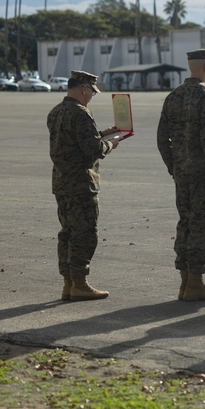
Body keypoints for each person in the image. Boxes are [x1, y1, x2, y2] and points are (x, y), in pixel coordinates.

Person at [47, 70, 122, 301]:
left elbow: (73, 141)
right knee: (84, 234)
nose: (91, 97)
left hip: (62, 182)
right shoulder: (80, 113)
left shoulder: (56, 112)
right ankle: (80, 284)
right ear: (84, 89)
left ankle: (69, 283)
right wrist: (111, 143)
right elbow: (93, 149)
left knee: (67, 233)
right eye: (91, 92)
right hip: (81, 184)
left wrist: (103, 133)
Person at [157, 49, 205, 301]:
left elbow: (162, 139)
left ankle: (185, 283)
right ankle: (195, 284)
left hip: (182, 174)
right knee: (202, 226)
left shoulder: (173, 96)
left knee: (185, 224)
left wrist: (174, 167)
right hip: (203, 175)